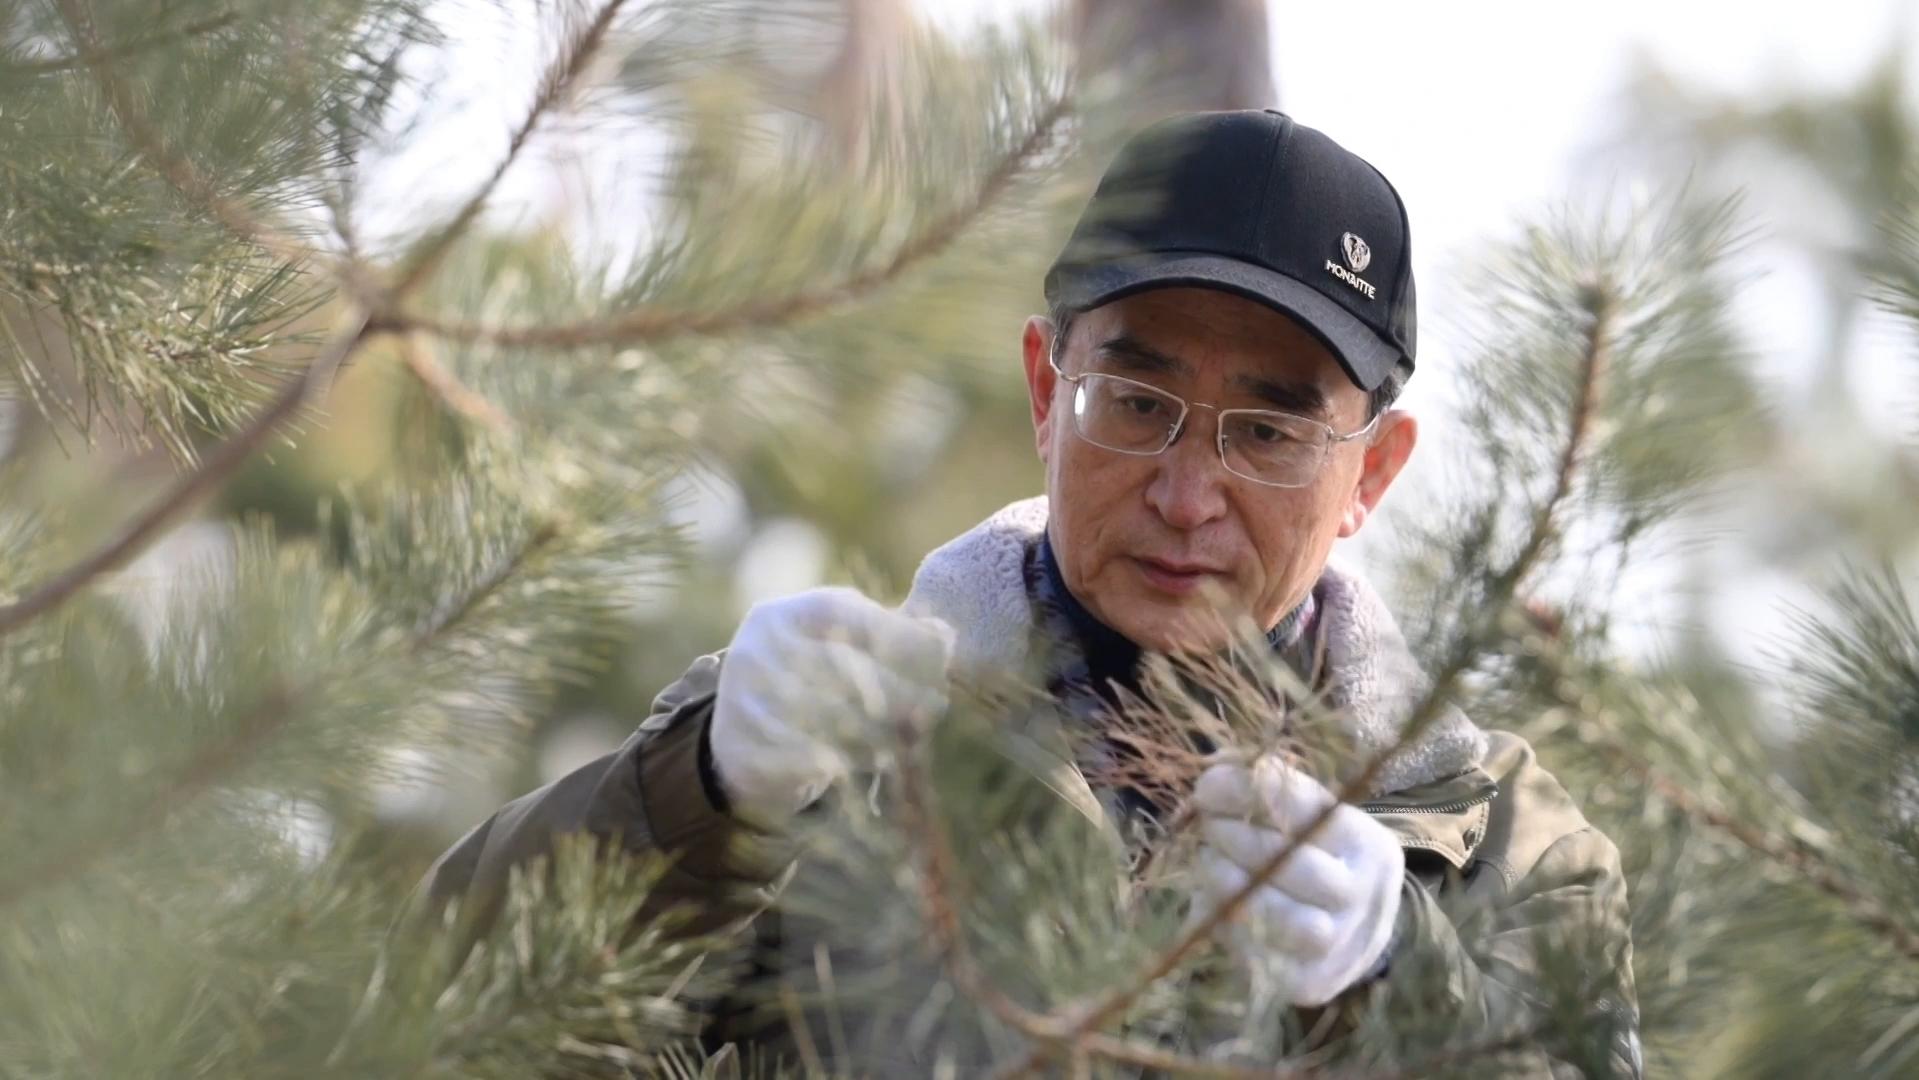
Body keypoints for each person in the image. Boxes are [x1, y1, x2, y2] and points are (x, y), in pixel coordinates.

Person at [422, 109, 1640, 1074]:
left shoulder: (1495, 842)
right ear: (1045, 394)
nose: (1186, 494)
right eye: (1136, 402)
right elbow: (419, 1023)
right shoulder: (812, 738)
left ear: (1369, 473)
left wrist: (1395, 983)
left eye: (1267, 433)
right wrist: (699, 797)